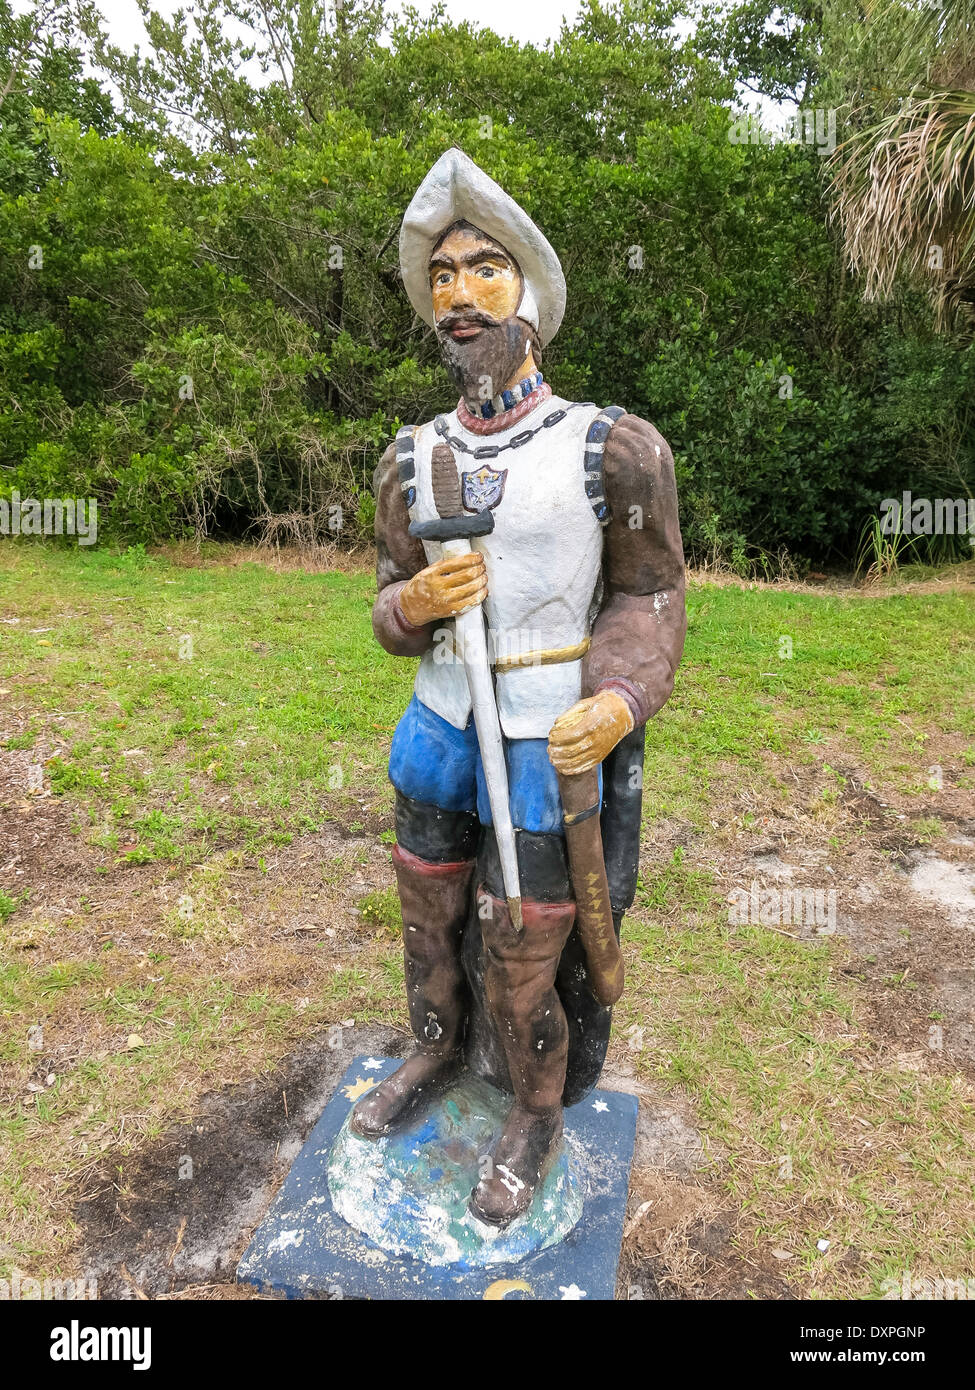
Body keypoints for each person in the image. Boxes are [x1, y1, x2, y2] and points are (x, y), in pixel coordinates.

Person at [351, 148, 686, 1227]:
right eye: (441, 274)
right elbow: (388, 600)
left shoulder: (606, 450)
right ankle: (433, 1055)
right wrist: (417, 606)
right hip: (444, 722)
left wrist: (616, 698)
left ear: (529, 296)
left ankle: (536, 1106)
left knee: (520, 940)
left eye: (482, 269)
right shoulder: (412, 458)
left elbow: (651, 598)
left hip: (549, 742)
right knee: (426, 915)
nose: (456, 293)